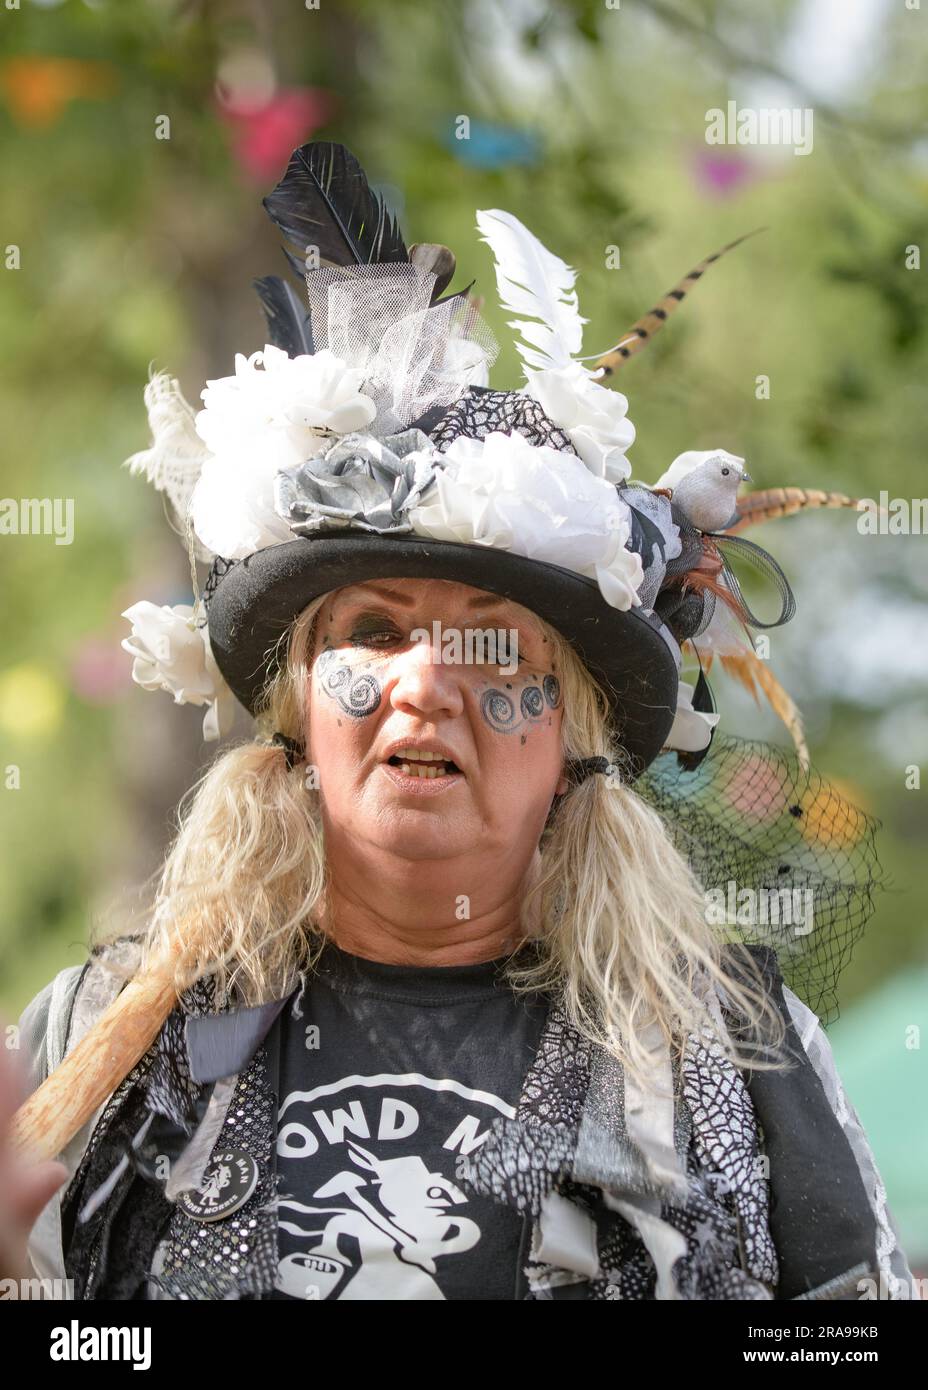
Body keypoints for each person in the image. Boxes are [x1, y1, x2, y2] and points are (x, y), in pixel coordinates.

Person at [4, 141, 915, 1302]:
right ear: (296, 717)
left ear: (571, 736)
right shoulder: (103, 1039)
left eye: (495, 647)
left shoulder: (736, 1048)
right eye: (373, 634)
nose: (426, 684)